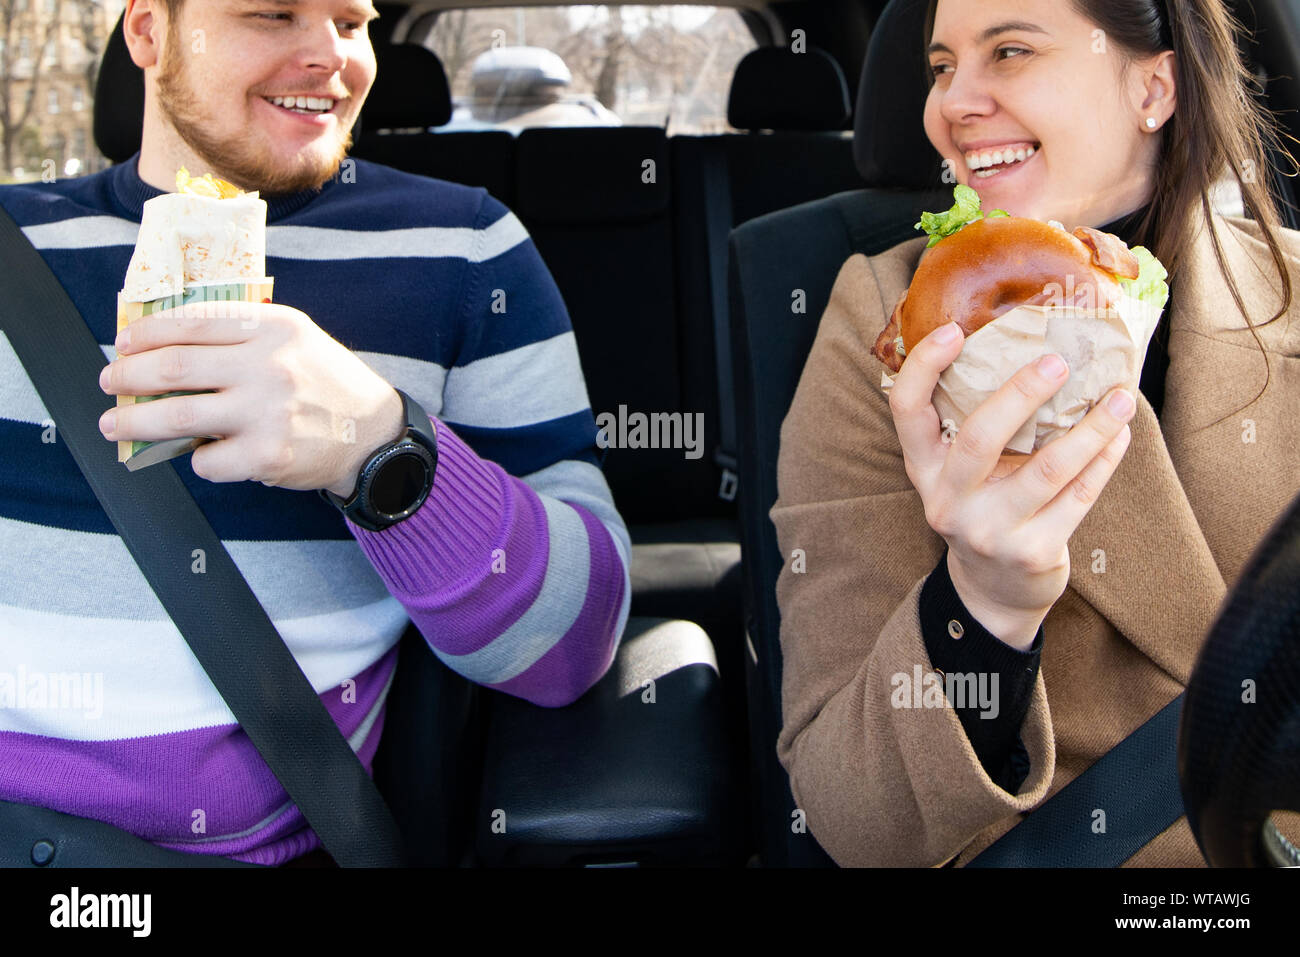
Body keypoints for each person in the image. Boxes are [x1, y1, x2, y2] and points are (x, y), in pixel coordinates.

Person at [0, 0, 630, 865]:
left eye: (351, 20)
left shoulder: (466, 252)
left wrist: (378, 449)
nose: (329, 55)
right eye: (273, 13)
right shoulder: (12, 239)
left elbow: (573, 641)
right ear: (148, 33)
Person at [771, 0, 1300, 866]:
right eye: (942, 67)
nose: (952, 103)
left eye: (1009, 51)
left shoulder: (1291, 293)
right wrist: (981, 605)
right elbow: (852, 813)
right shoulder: (889, 328)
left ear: (1154, 88)